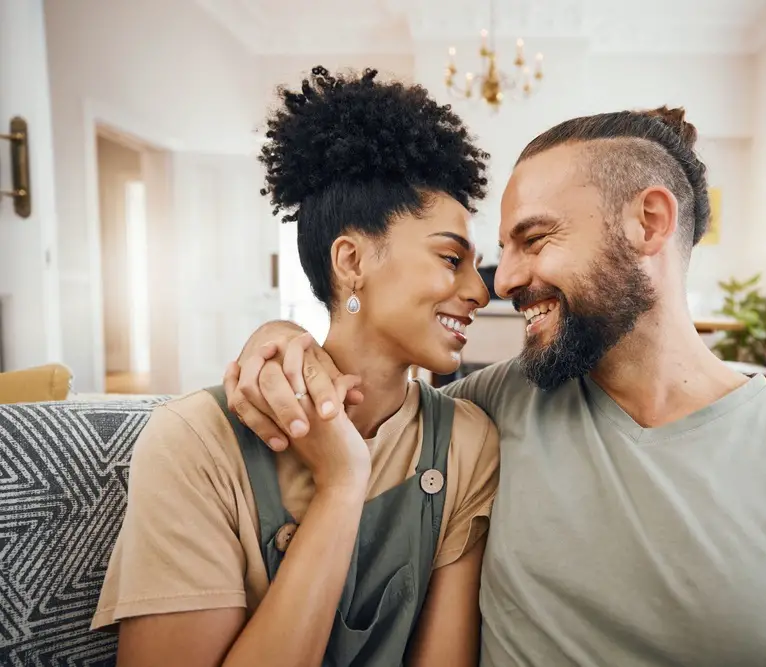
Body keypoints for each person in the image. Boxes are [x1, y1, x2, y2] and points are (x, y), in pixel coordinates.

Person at [225, 106, 766, 665]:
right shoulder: (487, 414)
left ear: (650, 223)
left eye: (534, 240)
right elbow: (371, 404)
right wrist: (288, 342)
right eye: (501, 250)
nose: (506, 280)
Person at [91, 67, 501, 667]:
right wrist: (340, 486)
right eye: (450, 258)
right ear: (351, 259)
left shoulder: (467, 442)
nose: (480, 292)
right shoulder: (196, 442)